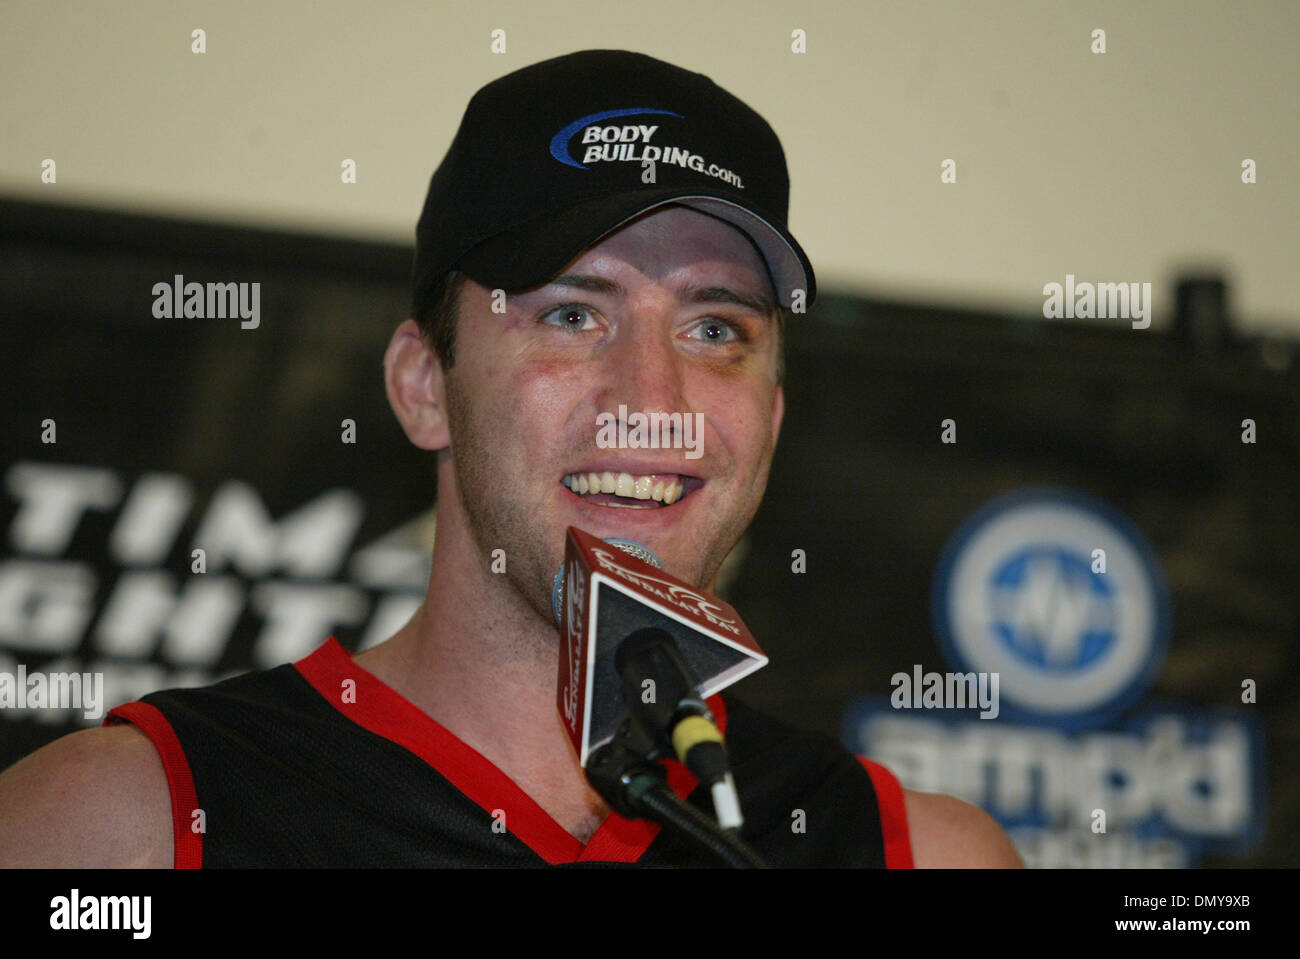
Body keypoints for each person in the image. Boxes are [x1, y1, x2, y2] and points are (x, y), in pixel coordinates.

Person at [0, 49, 1021, 868]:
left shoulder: (913, 851)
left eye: (716, 330)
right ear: (422, 384)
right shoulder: (122, 822)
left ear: (774, 413)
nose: (653, 404)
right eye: (574, 314)